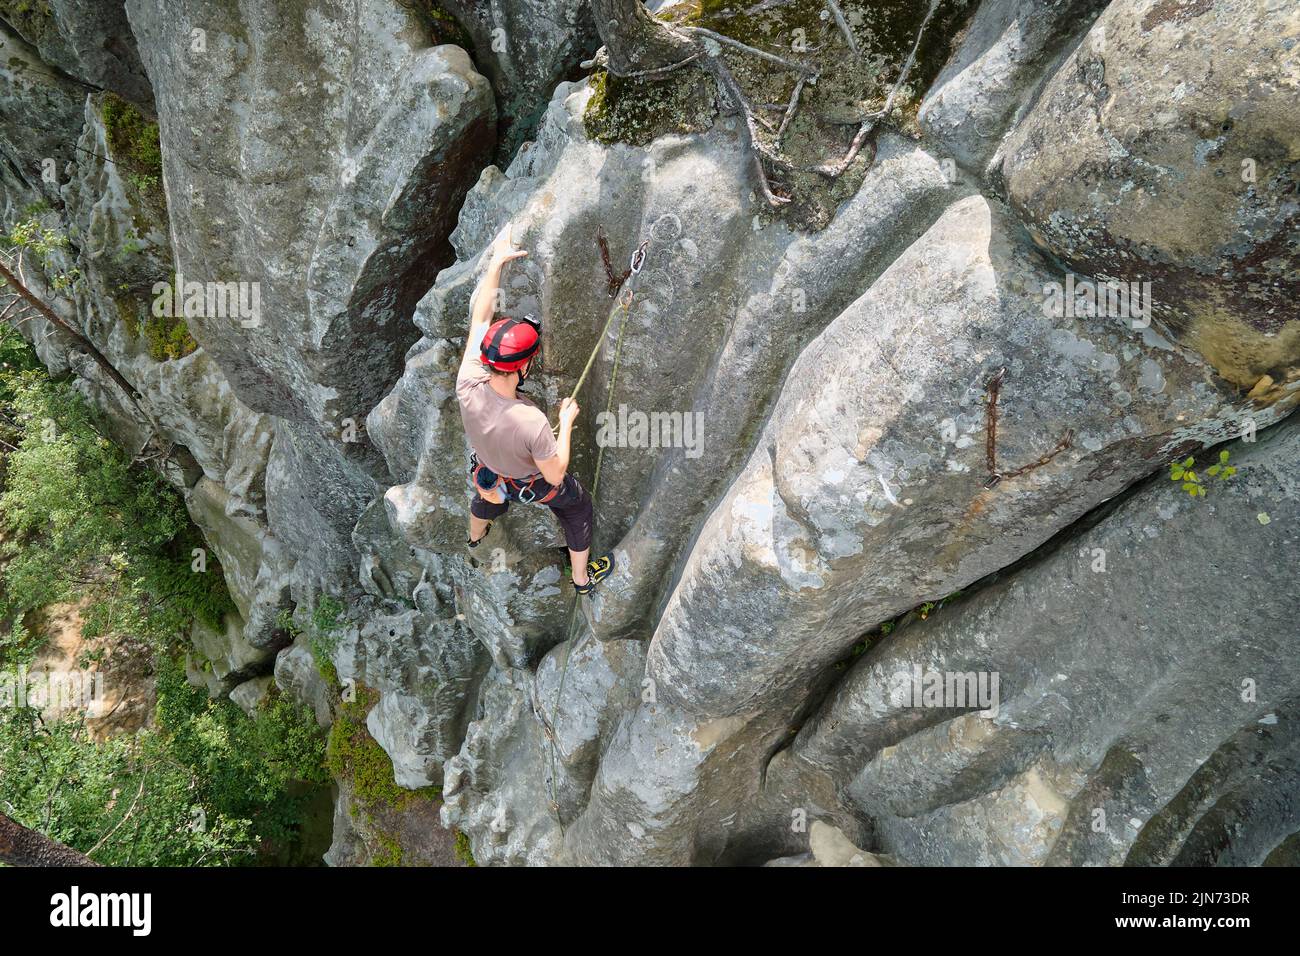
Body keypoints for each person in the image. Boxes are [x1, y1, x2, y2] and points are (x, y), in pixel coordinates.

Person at [457, 229, 614, 594]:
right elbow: (556, 475)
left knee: (486, 498)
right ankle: (581, 580)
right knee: (577, 508)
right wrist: (566, 422)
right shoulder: (531, 421)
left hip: (489, 472)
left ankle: (476, 538)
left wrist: (495, 264)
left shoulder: (468, 379)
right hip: (531, 484)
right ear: (520, 368)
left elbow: (481, 317)